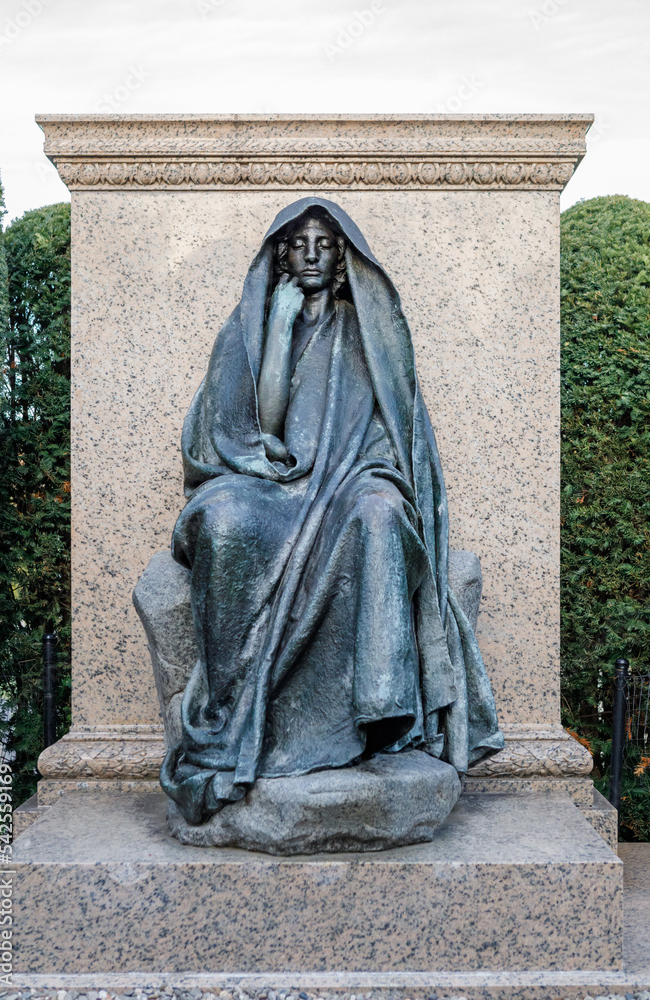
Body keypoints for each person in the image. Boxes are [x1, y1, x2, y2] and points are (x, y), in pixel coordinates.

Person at [160, 197, 503, 825]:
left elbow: (397, 437)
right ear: (280, 257)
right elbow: (244, 431)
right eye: (299, 243)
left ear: (343, 257)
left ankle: (379, 718)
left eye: (325, 242)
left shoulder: (366, 330)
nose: (312, 252)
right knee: (223, 517)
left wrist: (366, 479)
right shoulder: (249, 327)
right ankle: (237, 701)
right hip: (272, 485)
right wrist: (281, 331)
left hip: (352, 481)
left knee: (377, 513)